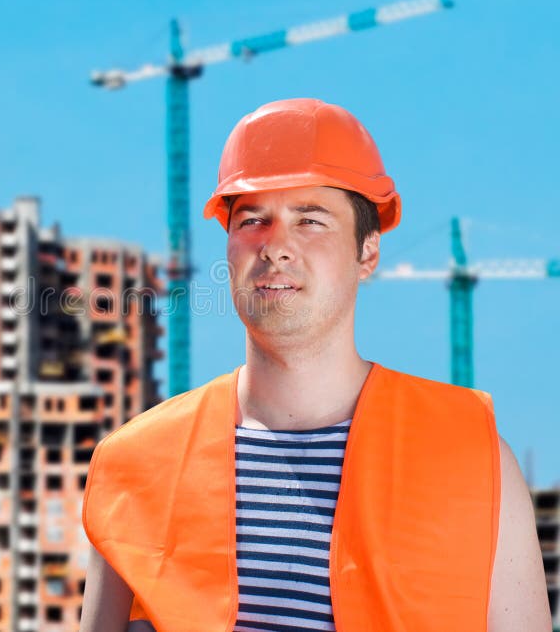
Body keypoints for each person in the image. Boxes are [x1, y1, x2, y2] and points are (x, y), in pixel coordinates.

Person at [79, 98, 551, 632]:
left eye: (310, 220)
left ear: (367, 252)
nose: (276, 245)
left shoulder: (476, 458)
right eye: (253, 219)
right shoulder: (131, 466)